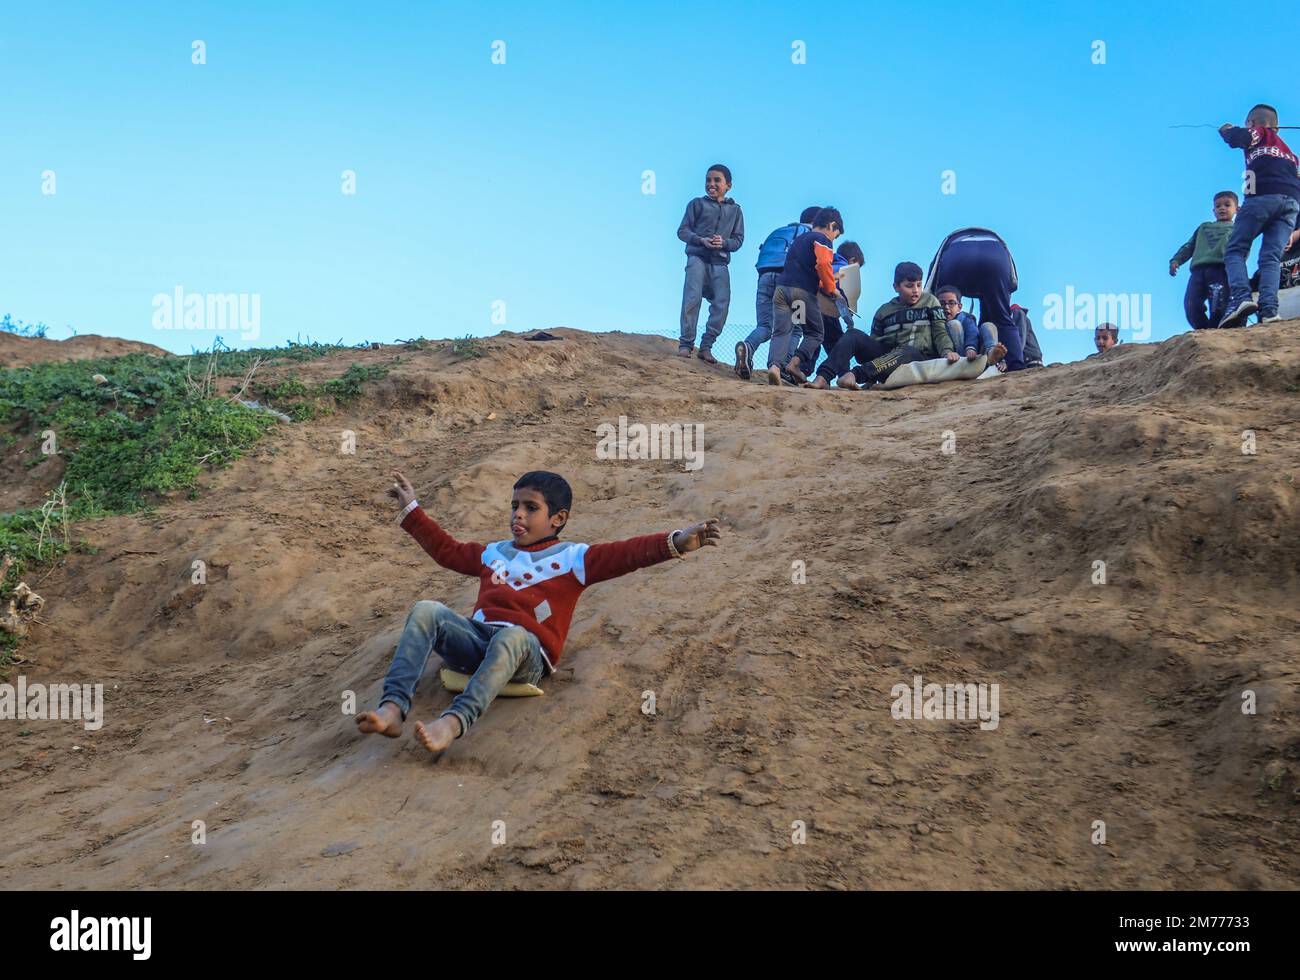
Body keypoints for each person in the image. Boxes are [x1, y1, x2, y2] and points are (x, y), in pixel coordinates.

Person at [357, 470, 721, 754]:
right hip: (478, 644)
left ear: (558, 518)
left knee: (512, 635)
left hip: (527, 655)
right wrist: (412, 511)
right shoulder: (494, 552)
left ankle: (453, 722)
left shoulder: (574, 558)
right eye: (515, 505)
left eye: (531, 508)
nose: (518, 514)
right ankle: (392, 708)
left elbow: (626, 554)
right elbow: (446, 550)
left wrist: (675, 542)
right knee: (426, 609)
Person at [807, 261, 958, 390]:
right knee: (853, 335)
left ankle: (856, 374)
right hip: (887, 361)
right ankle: (822, 378)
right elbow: (873, 341)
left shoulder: (930, 302)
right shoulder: (884, 311)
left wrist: (947, 352)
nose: (916, 290)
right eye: (909, 286)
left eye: (919, 285)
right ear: (896, 287)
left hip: (917, 359)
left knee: (906, 350)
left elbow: (940, 332)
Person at [1218, 105, 1300, 327]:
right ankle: (1270, 310)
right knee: (1270, 258)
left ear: (1253, 123)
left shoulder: (1260, 133)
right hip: (1291, 204)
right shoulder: (1292, 155)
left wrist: (1226, 130)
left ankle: (1242, 299)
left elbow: (1239, 138)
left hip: (1262, 198)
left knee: (1235, 250)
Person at [735, 206, 819, 380]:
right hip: (792, 284)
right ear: (817, 222)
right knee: (796, 328)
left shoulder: (781, 231)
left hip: (765, 278)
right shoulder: (810, 236)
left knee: (765, 326)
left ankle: (748, 346)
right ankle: (786, 368)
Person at [924, 227, 1026, 370]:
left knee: (939, 318)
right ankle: (1016, 366)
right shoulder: (998, 243)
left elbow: (929, 295)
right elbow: (1011, 284)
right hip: (996, 256)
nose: (947, 307)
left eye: (953, 303)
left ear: (960, 305)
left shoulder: (948, 243)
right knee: (1001, 319)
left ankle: (947, 360)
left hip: (955, 255)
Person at [766, 207, 844, 385]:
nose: (834, 239)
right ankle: (794, 364)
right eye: (836, 235)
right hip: (801, 294)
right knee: (815, 333)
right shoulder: (822, 239)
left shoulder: (800, 239)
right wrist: (832, 289)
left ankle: (774, 367)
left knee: (782, 330)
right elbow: (823, 264)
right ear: (831, 225)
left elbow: (807, 267)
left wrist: (825, 283)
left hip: (782, 292)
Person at [677, 164, 745, 361]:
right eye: (708, 180)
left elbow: (738, 240)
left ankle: (706, 346)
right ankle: (686, 344)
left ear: (728, 185)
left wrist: (724, 243)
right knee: (692, 298)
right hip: (697, 258)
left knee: (722, 304)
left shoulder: (736, 210)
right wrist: (700, 240)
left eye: (717, 180)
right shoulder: (696, 204)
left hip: (720, 263)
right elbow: (683, 231)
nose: (711, 184)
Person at [1169, 191, 1238, 330]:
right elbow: (1189, 246)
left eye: (1227, 205)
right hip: (1198, 272)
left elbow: (1242, 249)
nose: (1222, 208)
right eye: (1218, 206)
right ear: (1213, 210)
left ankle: (1216, 331)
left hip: (1220, 270)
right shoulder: (1204, 227)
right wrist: (1176, 260)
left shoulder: (1237, 228)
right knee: (1191, 304)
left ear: (1237, 209)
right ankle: (1203, 330)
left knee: (1217, 305)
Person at [936, 285, 1005, 364]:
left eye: (951, 303)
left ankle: (992, 355)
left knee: (988, 326)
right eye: (941, 304)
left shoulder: (964, 317)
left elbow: (972, 332)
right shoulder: (936, 324)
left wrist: (971, 348)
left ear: (959, 306)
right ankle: (960, 362)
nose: (946, 307)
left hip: (972, 355)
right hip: (954, 357)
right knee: (953, 324)